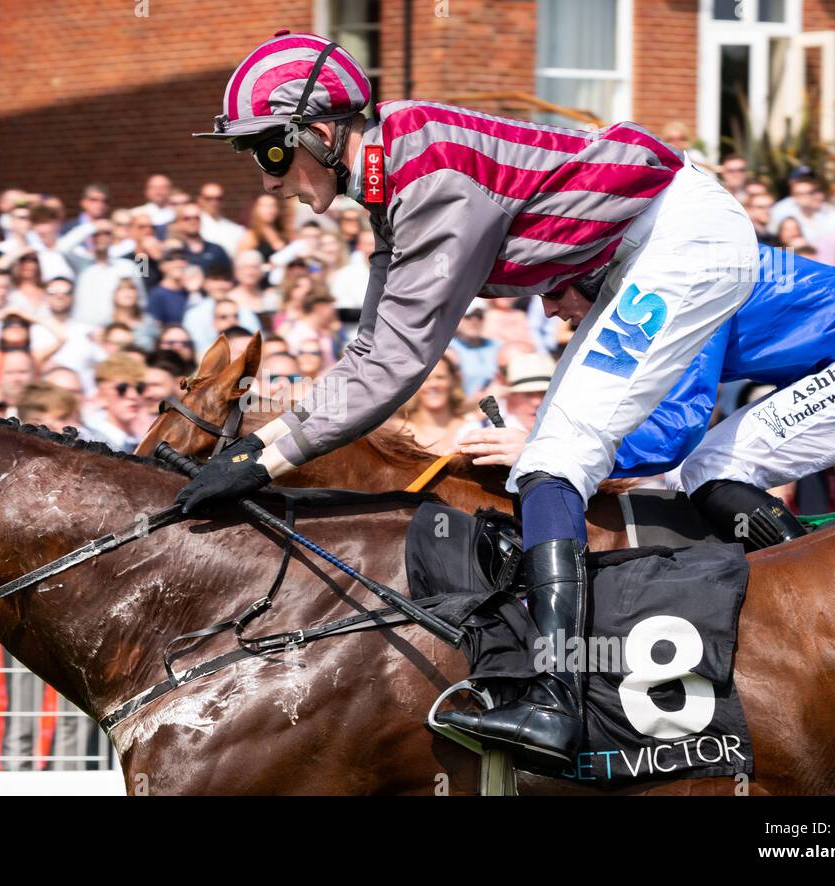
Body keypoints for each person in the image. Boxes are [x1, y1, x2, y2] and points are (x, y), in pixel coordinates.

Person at [180, 31, 756, 764]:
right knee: (541, 469)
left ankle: (558, 702)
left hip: (683, 244)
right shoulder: (396, 175)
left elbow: (395, 364)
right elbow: (368, 351)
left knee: (554, 459)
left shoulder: (428, 178)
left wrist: (264, 461)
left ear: (320, 135)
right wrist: (259, 447)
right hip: (648, 246)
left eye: (267, 151)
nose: (264, 181)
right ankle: (550, 677)